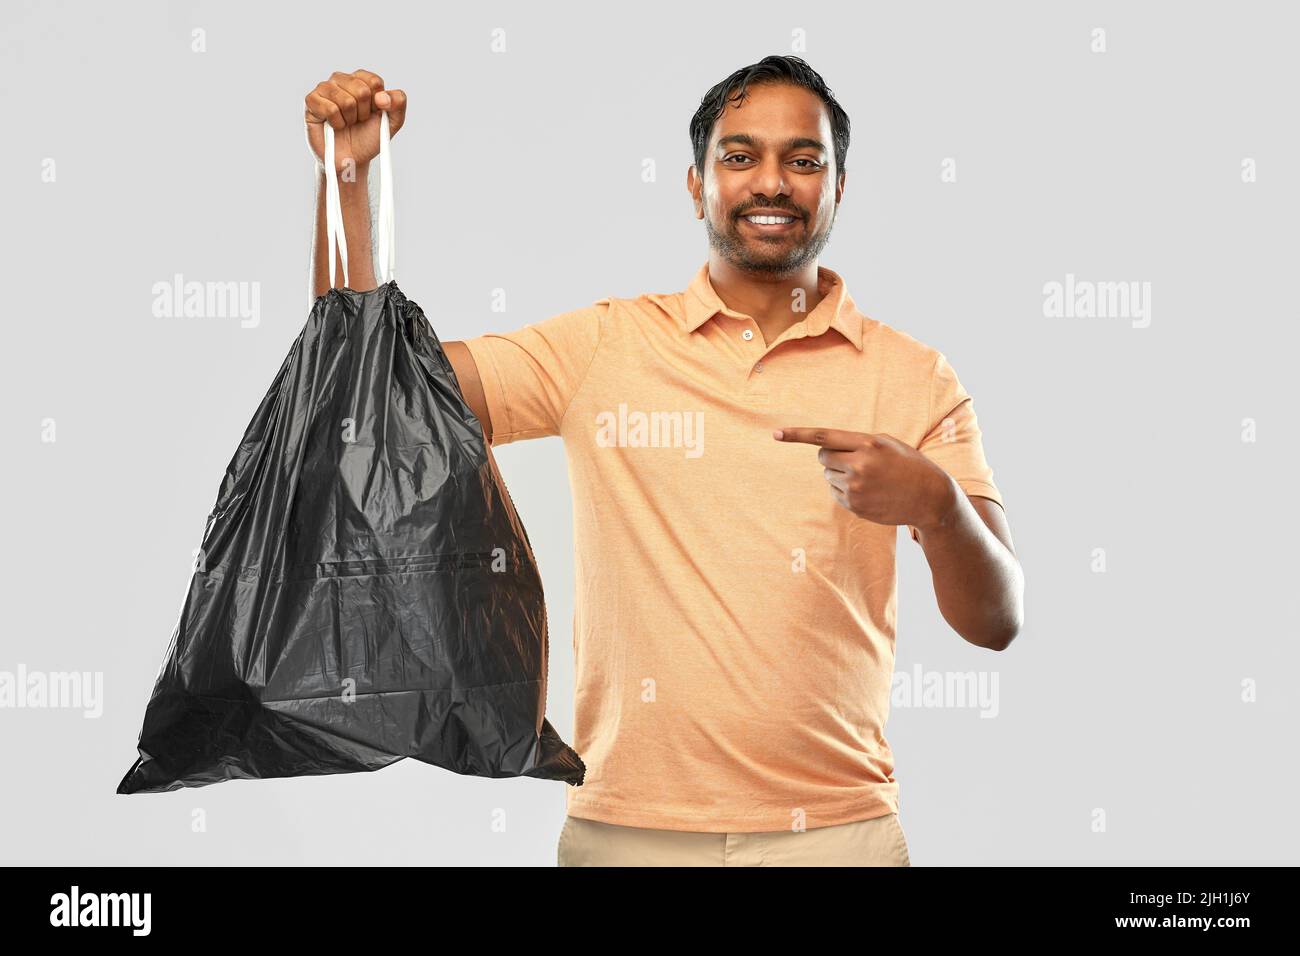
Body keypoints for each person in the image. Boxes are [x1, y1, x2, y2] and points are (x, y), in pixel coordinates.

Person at [303, 56, 1024, 867]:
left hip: (834, 835)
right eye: (740, 156)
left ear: (840, 186)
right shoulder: (606, 347)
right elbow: (366, 389)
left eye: (805, 159)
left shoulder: (914, 377)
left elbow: (996, 621)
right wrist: (348, 183)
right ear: (696, 185)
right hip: (627, 835)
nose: (773, 183)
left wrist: (940, 509)